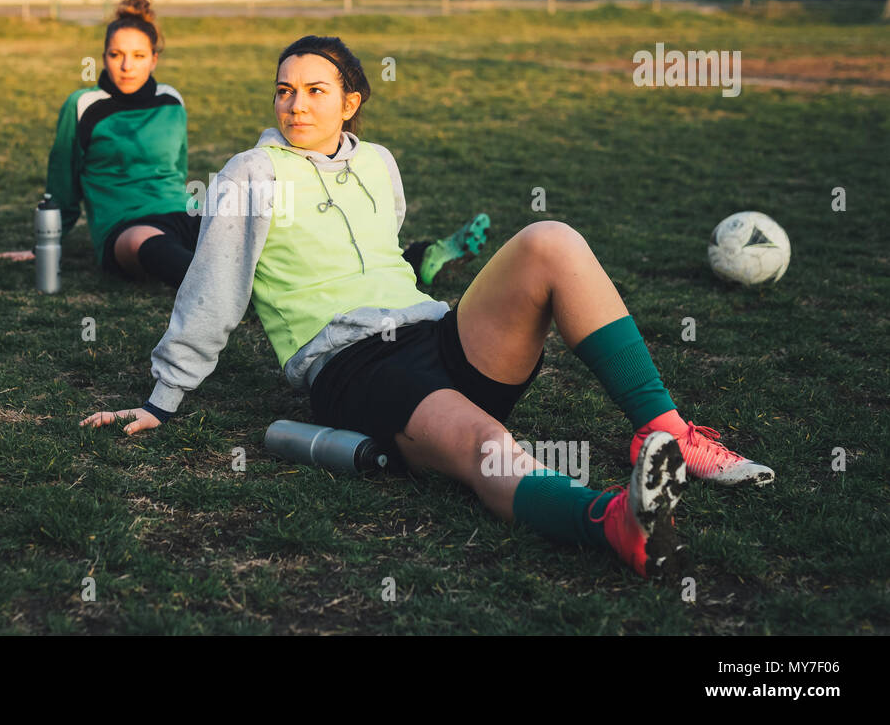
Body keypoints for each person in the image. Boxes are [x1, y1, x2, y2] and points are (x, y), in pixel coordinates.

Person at [80, 34, 774, 579]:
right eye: (284, 91)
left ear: (350, 101)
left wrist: (429, 267)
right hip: (356, 370)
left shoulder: (378, 162)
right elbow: (214, 287)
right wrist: (164, 395)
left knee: (550, 240)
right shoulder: (252, 174)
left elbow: (380, 264)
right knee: (491, 450)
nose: (296, 105)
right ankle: (612, 522)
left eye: (316, 91)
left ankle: (667, 429)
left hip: (438, 334)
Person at [1, 0, 201, 287]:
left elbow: (177, 170)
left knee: (242, 228)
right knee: (147, 244)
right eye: (116, 54)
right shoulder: (83, 105)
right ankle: (221, 290)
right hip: (126, 226)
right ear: (104, 56)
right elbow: (62, 184)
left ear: (154, 59)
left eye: (139, 56)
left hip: (183, 209)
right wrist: (44, 246)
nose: (127, 66)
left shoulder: (172, 101)